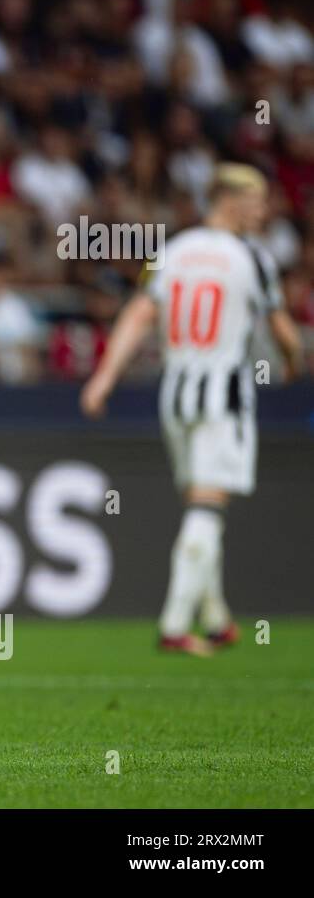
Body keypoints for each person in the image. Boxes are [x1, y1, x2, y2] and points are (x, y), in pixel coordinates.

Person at [81, 163, 303, 656]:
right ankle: (175, 627)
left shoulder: (173, 252)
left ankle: (216, 616)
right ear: (233, 200)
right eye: (259, 200)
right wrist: (293, 362)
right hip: (223, 395)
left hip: (175, 395)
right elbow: (283, 330)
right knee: (207, 509)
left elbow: (139, 315)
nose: (264, 210)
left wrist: (102, 379)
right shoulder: (252, 257)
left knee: (201, 508)